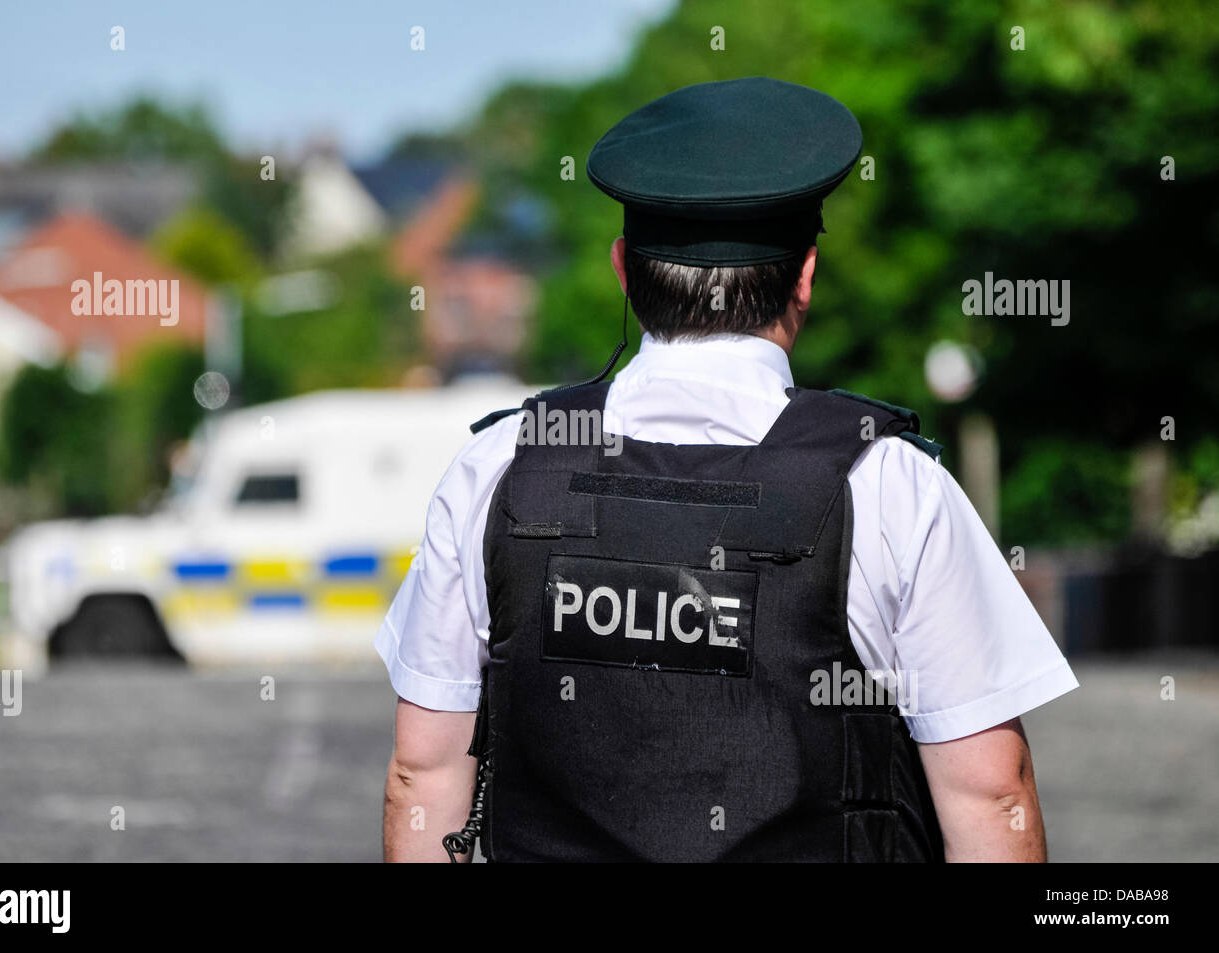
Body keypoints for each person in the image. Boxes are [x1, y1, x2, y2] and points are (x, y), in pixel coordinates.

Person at [378, 77, 1078, 862]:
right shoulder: (888, 487)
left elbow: (423, 771)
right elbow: (991, 790)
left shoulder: (498, 469)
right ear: (805, 275)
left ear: (623, 269)